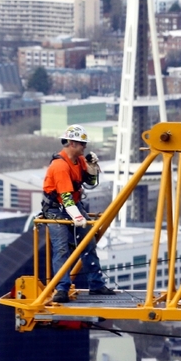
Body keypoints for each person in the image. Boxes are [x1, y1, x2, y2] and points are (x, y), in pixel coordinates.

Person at [42, 124, 116, 303]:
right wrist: (77, 216)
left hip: (72, 205)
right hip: (56, 211)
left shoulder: (79, 160)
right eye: (82, 144)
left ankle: (96, 285)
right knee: (61, 249)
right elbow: (65, 197)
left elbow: (89, 183)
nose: (85, 147)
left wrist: (91, 168)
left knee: (88, 243)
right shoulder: (60, 166)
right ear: (72, 143)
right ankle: (62, 289)